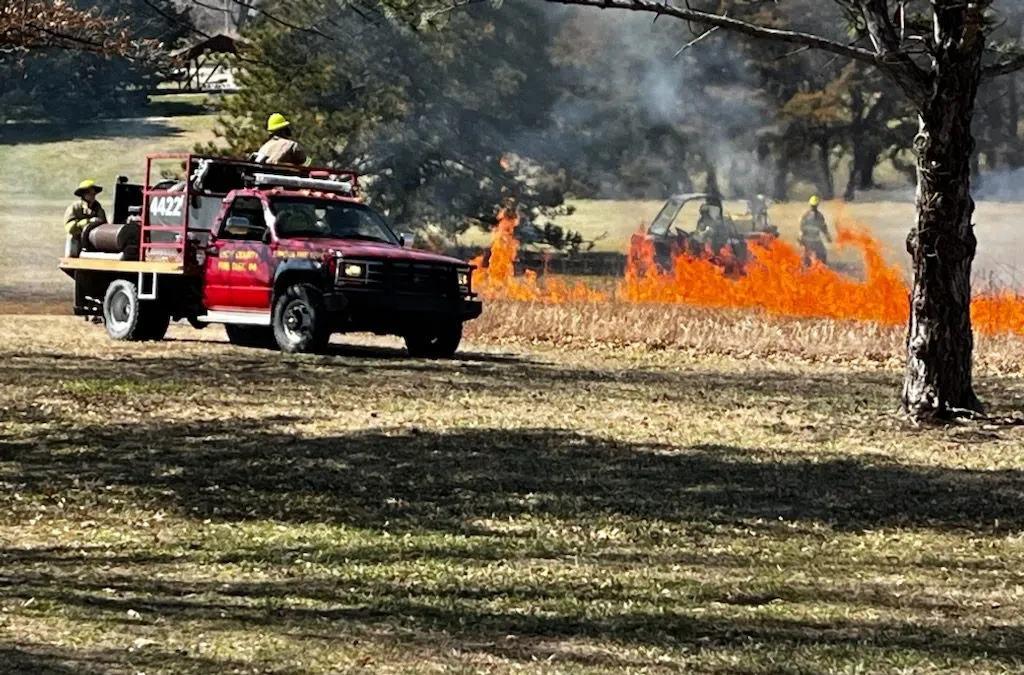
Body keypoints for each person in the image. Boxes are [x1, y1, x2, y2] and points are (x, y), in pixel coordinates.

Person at [64, 179, 107, 257]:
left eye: (94, 193)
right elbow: (70, 228)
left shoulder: (98, 208)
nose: (93, 195)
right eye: (90, 193)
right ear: (83, 194)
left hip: (93, 244)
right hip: (76, 243)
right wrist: (87, 222)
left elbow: (105, 225)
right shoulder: (74, 208)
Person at [800, 195, 832, 266]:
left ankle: (806, 268)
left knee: (806, 258)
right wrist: (827, 237)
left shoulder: (805, 215)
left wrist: (801, 239)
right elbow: (824, 228)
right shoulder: (819, 216)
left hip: (808, 240)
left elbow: (802, 228)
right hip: (815, 241)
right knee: (822, 255)